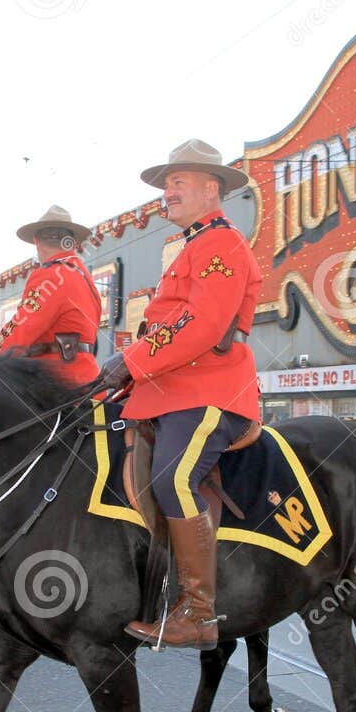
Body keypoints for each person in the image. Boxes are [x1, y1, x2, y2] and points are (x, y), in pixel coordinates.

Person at [96, 139, 261, 649]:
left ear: (211, 189)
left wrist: (133, 359)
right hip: (169, 389)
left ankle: (198, 613)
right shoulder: (193, 245)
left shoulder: (221, 245)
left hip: (211, 391)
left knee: (173, 478)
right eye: (166, 183)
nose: (167, 191)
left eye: (178, 182)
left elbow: (203, 324)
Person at [0, 205, 104, 385]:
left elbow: (20, 330)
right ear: (71, 241)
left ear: (37, 241)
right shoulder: (84, 277)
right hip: (88, 382)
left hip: (57, 386)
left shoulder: (51, 274)